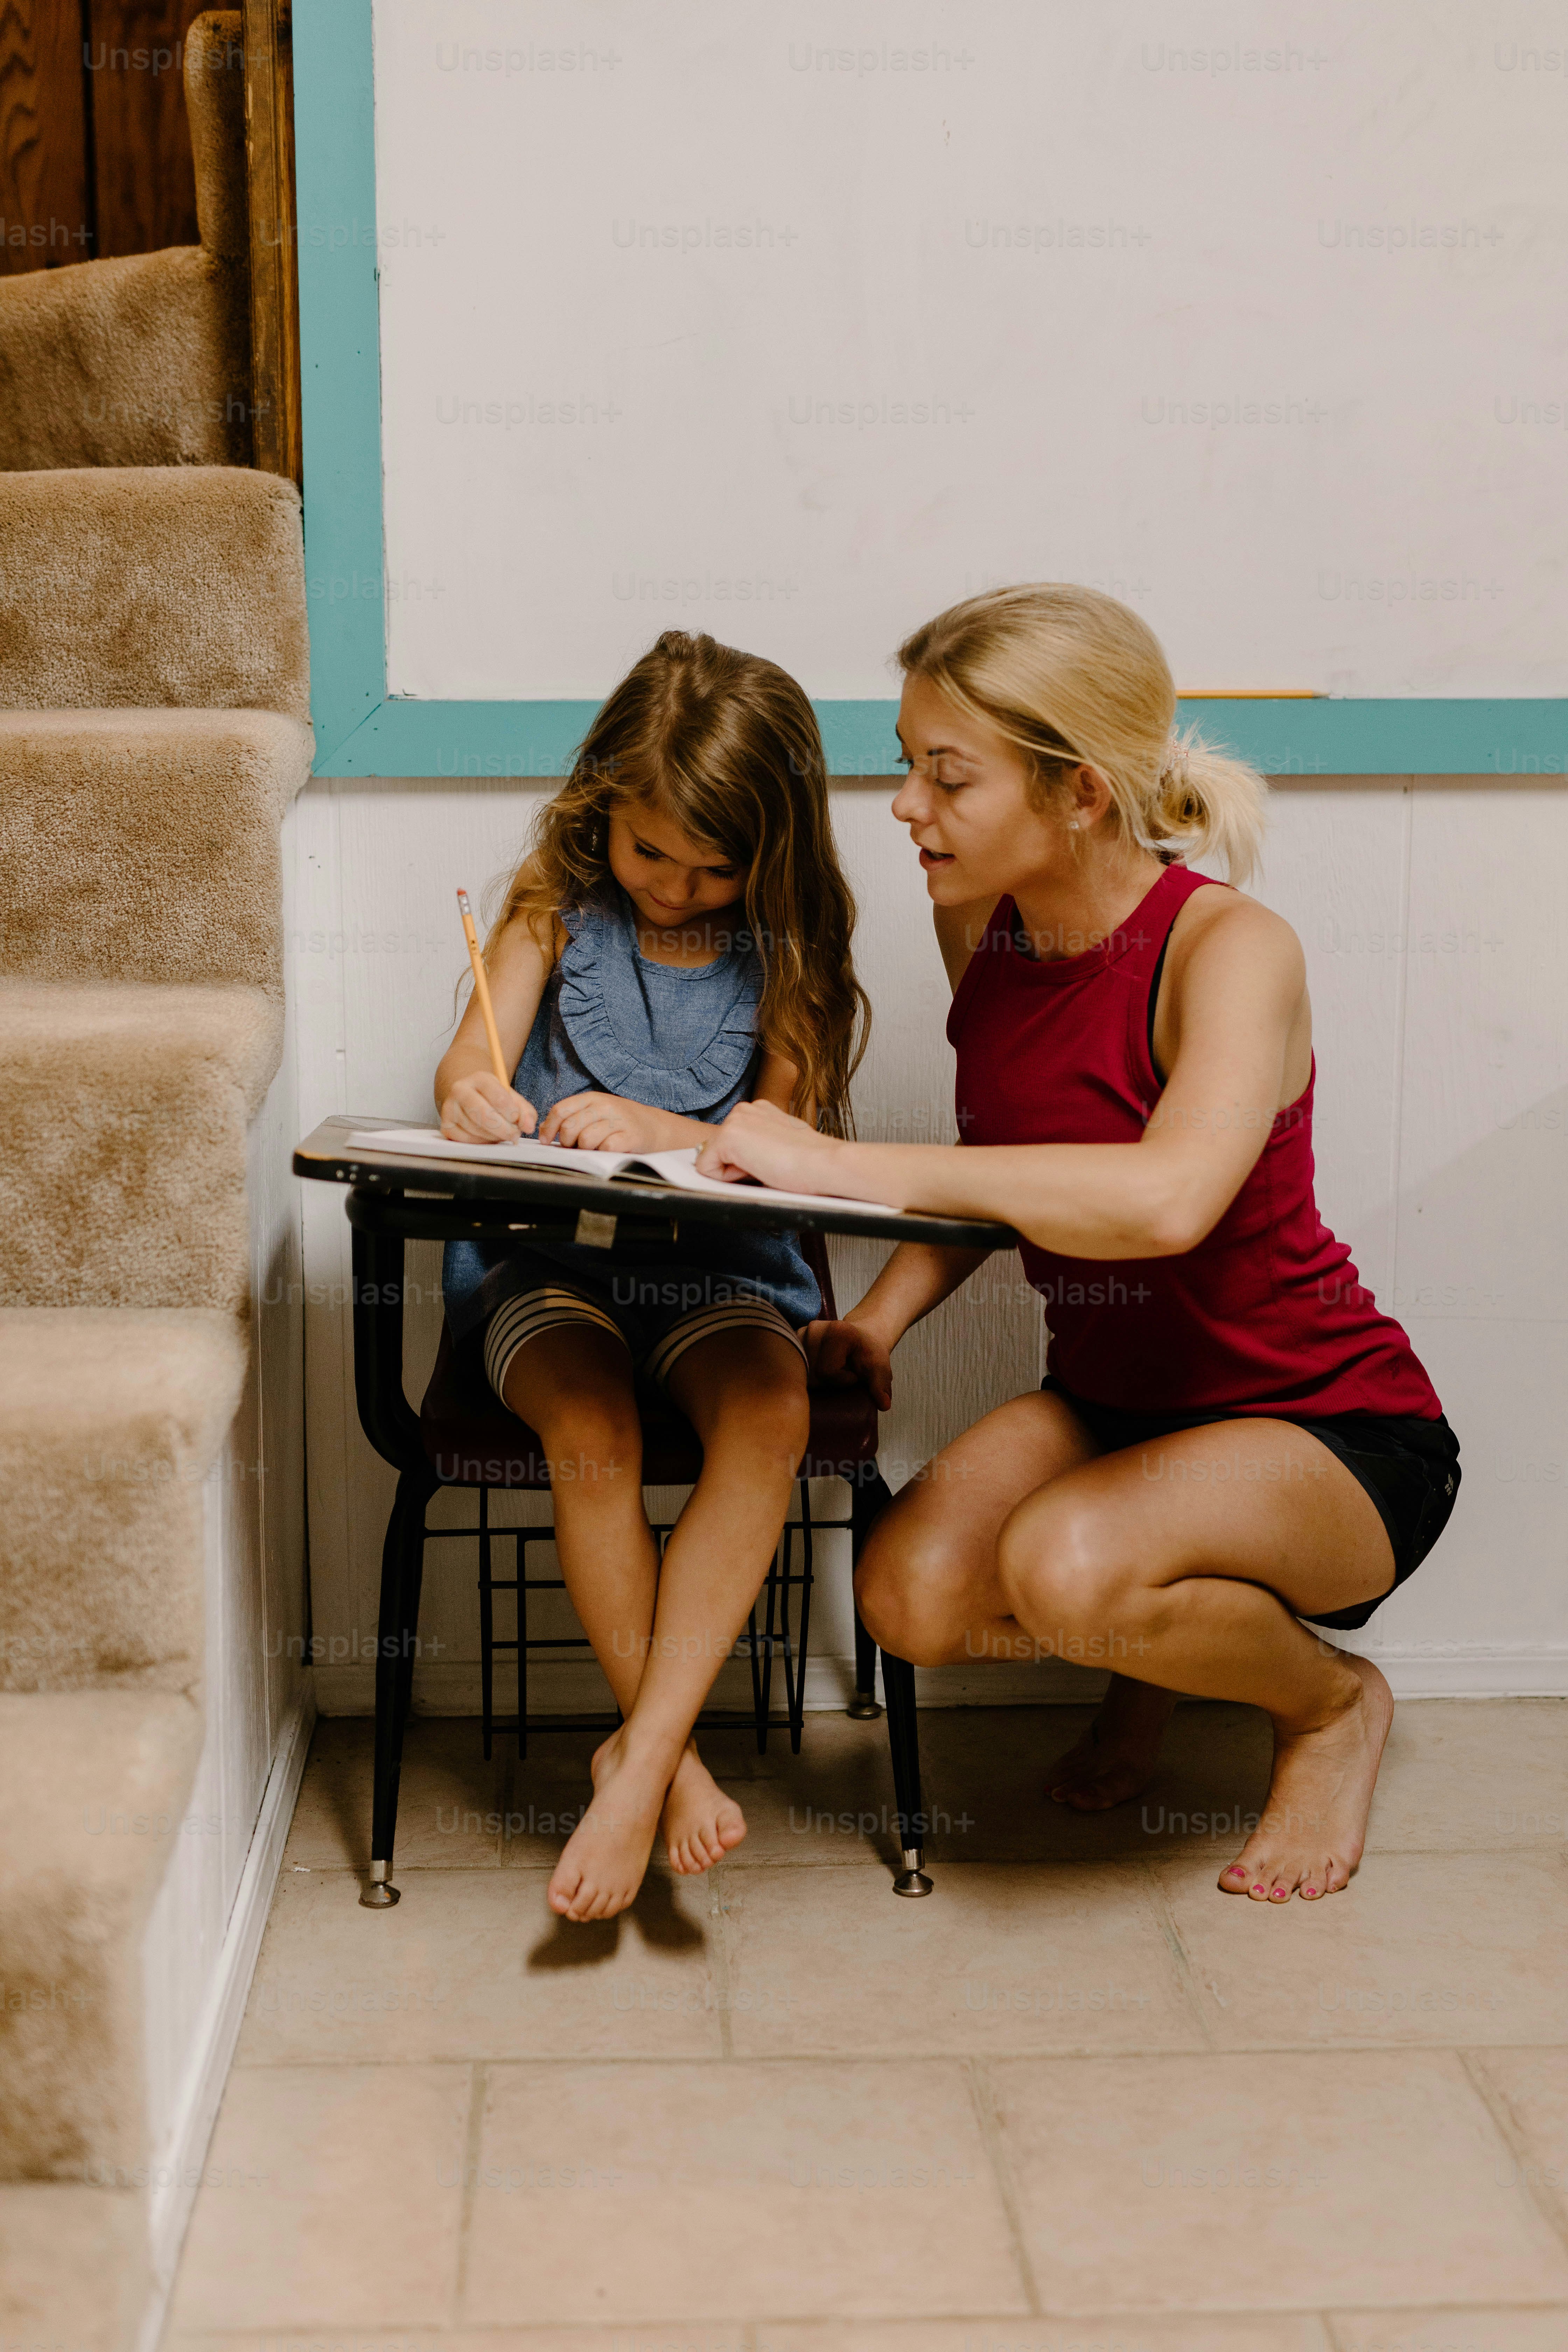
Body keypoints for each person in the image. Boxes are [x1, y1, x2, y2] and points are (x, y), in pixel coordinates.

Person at [696, 583, 1461, 1907]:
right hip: (1115, 1405)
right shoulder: (978, 926)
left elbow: (1167, 1201)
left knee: (1063, 1568)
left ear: (1080, 795)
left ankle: (1329, 1706)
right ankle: (1154, 1650)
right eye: (906, 765)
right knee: (910, 1599)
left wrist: (832, 1166)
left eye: (949, 776)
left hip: (1326, 1423)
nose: (906, 807)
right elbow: (1014, 1177)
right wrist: (878, 1319)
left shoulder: (1230, 950)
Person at [436, 630, 868, 1922]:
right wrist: (472, 1095)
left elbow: (787, 1140)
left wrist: (671, 1130)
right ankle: (667, 1765)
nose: (677, 890)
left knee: (771, 1412)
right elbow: (468, 1066)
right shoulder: (545, 912)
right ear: (601, 810)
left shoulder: (790, 952)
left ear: (773, 853)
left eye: (714, 867)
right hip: (543, 1266)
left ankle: (638, 1756)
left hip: (721, 1267)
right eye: (649, 854)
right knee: (592, 1423)